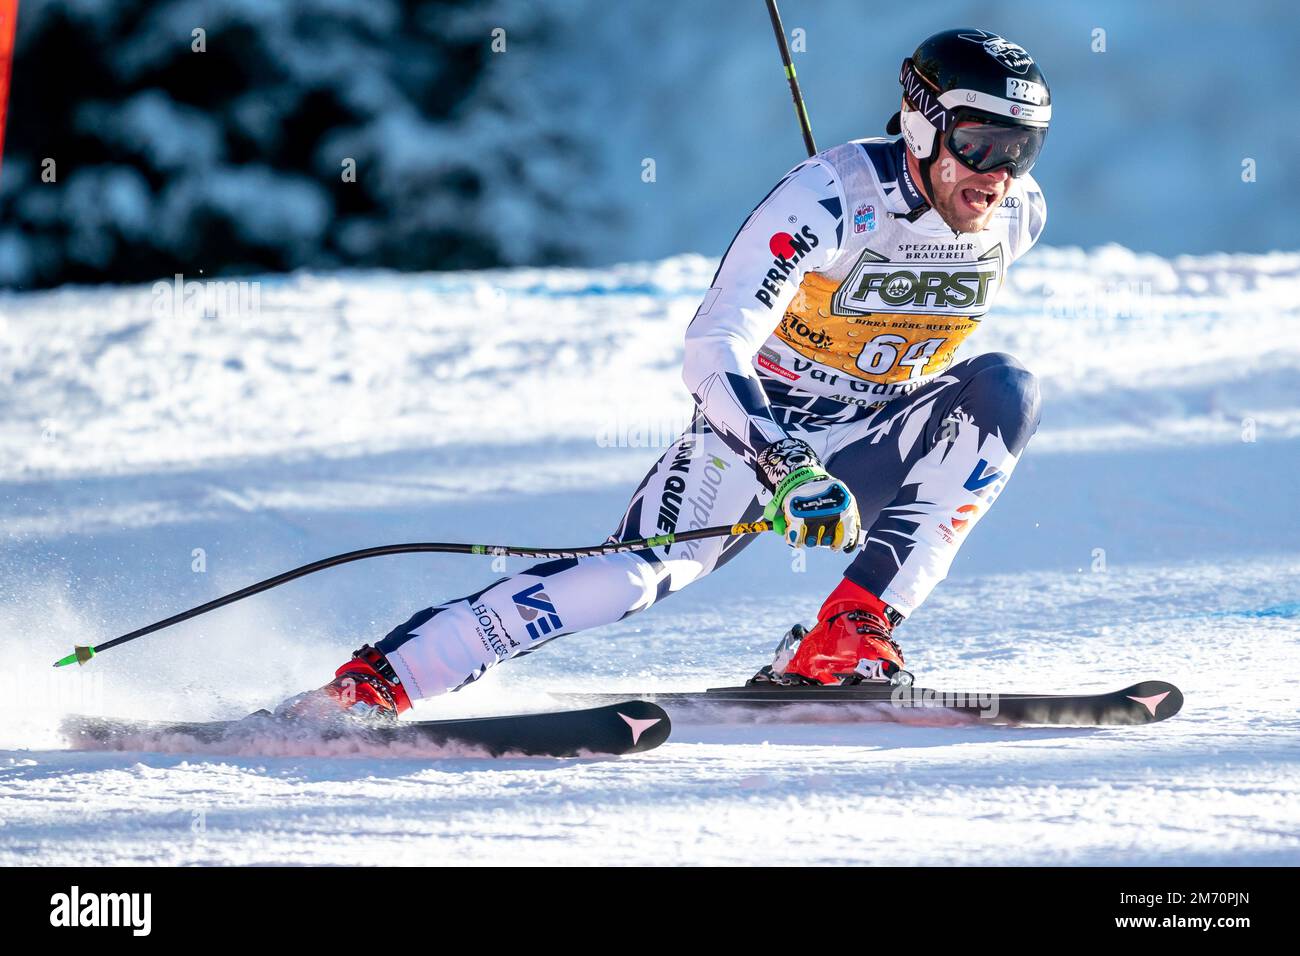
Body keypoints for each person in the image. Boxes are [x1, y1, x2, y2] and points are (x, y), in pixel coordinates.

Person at [287, 27, 1052, 718]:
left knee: (1005, 390)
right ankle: (382, 678)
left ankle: (849, 630)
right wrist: (783, 466)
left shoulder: (1018, 214)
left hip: (874, 433)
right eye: (981, 144)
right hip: (761, 435)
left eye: (1023, 150)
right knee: (633, 576)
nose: (999, 176)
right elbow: (713, 344)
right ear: (921, 124)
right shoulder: (828, 197)